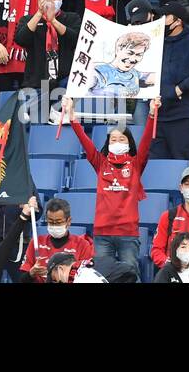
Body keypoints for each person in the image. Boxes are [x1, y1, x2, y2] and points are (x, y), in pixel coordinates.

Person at [65, 95, 158, 272]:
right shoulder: (100, 162)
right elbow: (85, 142)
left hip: (128, 233)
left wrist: (152, 114)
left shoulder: (135, 164)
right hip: (102, 232)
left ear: (129, 144)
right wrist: (72, 116)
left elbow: (146, 142)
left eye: (121, 139)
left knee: (129, 273)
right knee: (101, 274)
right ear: (108, 144)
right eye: (113, 140)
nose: (117, 143)